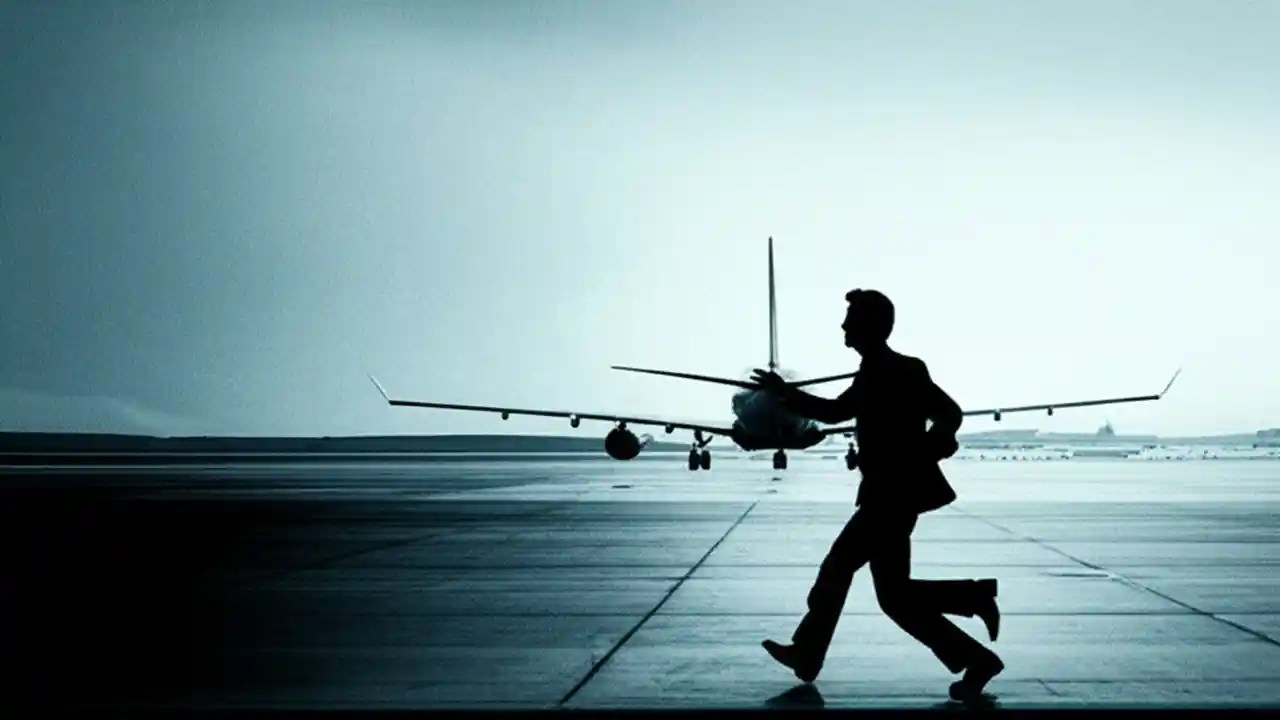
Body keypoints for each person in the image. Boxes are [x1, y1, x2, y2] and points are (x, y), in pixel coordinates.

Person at [752, 288, 1004, 704]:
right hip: (887, 494)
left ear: (870, 324)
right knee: (895, 597)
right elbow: (834, 412)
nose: (844, 326)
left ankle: (808, 653)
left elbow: (950, 413)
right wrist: (784, 392)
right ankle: (976, 637)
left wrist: (930, 450)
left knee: (838, 567)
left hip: (895, 495)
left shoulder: (904, 369)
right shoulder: (870, 372)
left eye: (850, 318)